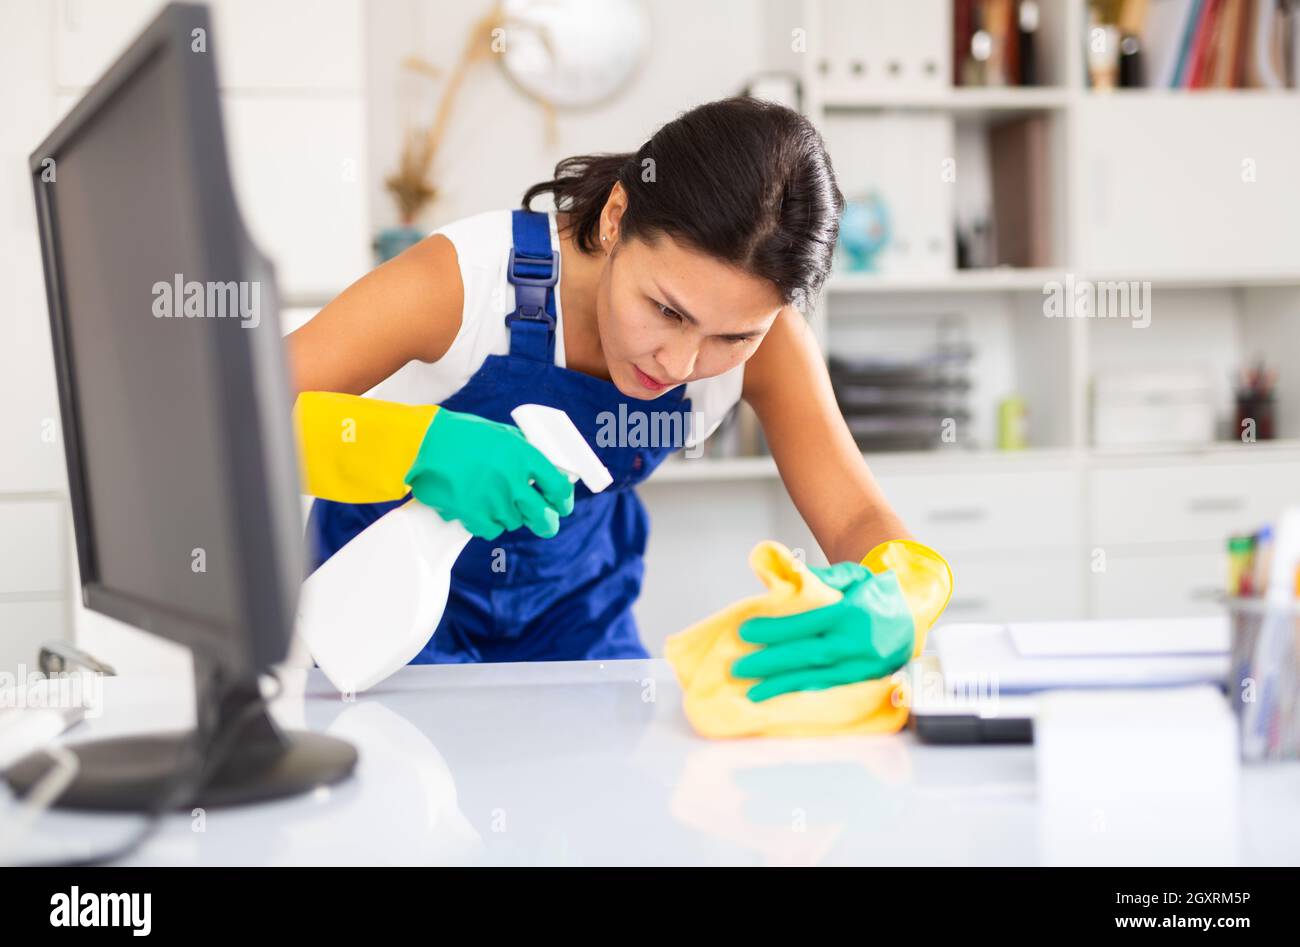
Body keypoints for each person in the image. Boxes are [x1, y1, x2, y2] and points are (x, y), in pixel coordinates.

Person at [289, 97, 950, 699]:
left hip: (572, 622)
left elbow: (858, 515)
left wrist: (904, 596)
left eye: (732, 336)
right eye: (666, 309)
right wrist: (415, 445)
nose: (680, 362)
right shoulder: (462, 282)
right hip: (379, 616)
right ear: (614, 219)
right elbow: (220, 426)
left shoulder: (773, 345)